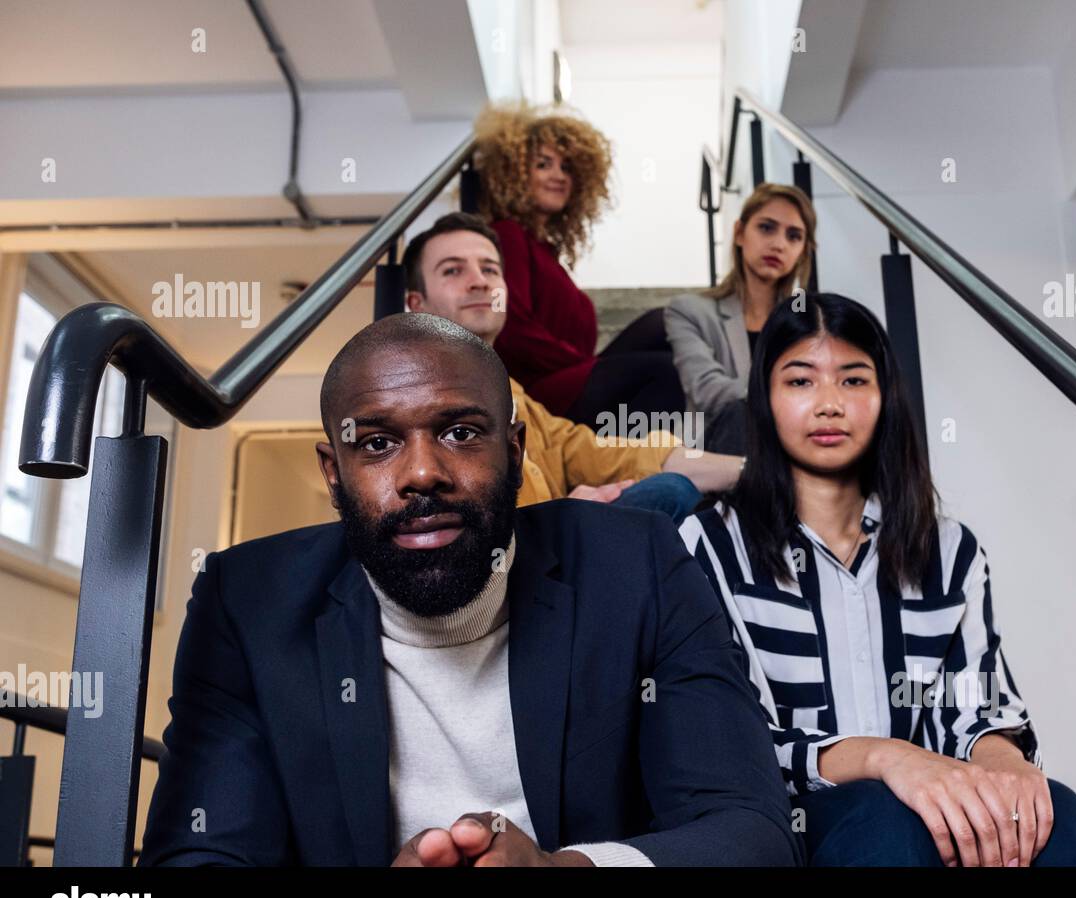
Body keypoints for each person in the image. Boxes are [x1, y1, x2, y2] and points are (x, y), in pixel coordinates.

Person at [139, 313, 799, 867]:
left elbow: (749, 831)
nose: (423, 473)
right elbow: (201, 856)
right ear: (332, 473)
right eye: (376, 443)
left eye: (460, 432)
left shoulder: (636, 565)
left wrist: (570, 869)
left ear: (515, 451)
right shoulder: (248, 602)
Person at [677, 292, 1076, 867]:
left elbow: (974, 701)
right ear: (764, 399)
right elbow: (730, 739)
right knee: (886, 823)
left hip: (928, 802)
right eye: (800, 381)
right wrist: (883, 758)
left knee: (1061, 820)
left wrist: (1006, 767)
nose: (830, 405)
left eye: (853, 380)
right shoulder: (709, 545)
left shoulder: (949, 548)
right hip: (790, 817)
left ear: (885, 397)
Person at [402, 212, 743, 523]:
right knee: (672, 492)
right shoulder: (411, 400)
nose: (479, 282)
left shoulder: (510, 391)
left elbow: (584, 451)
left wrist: (747, 469)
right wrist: (560, 515)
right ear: (417, 304)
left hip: (553, 545)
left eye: (490, 269)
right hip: (504, 572)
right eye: (453, 270)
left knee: (696, 483)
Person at [472, 103, 684, 427]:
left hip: (571, 379)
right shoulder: (507, 235)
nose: (559, 176)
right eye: (543, 164)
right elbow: (512, 330)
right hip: (542, 394)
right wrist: (585, 364)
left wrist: (588, 365)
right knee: (664, 366)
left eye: (567, 168)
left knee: (670, 322)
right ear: (513, 173)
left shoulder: (545, 250)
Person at [665, 183, 816, 455]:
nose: (778, 244)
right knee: (739, 413)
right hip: (715, 452)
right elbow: (707, 391)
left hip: (792, 451)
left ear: (803, 251)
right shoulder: (689, 311)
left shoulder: (808, 322)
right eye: (766, 228)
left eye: (793, 236)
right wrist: (791, 394)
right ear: (738, 233)